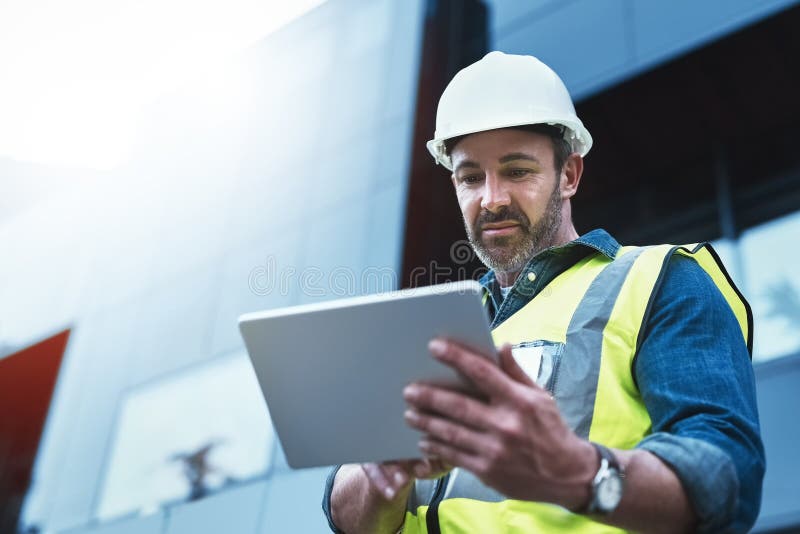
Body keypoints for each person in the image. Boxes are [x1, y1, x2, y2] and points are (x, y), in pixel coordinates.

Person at [322, 51, 764, 533]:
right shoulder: (430, 330)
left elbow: (728, 482)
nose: (492, 198)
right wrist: (381, 475)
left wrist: (575, 471)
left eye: (517, 171)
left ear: (569, 175)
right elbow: (345, 515)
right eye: (472, 177)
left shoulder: (658, 279)